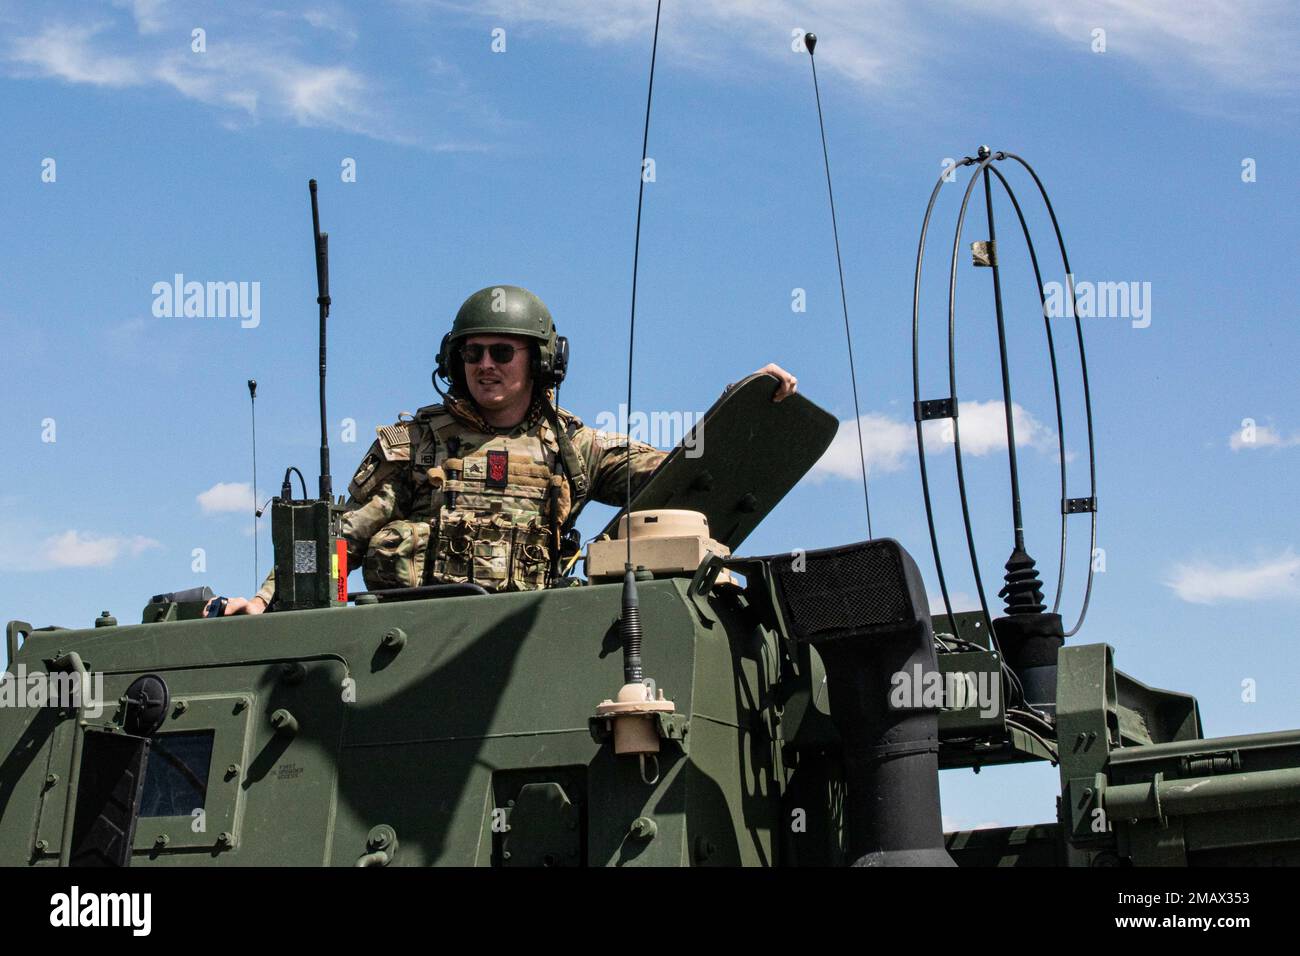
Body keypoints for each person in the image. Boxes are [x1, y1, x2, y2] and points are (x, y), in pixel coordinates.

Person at [217, 285, 797, 614]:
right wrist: (268, 599)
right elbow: (344, 536)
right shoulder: (415, 444)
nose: (486, 366)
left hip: (527, 646)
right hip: (403, 646)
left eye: (502, 352)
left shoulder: (574, 447)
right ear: (454, 362)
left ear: (541, 362)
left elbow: (679, 476)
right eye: (473, 354)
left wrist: (735, 406)